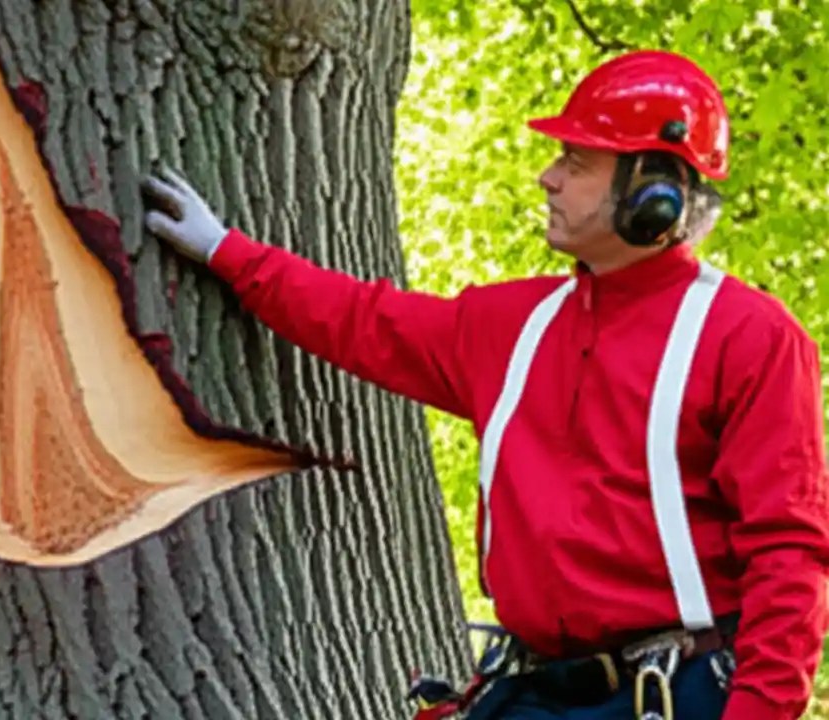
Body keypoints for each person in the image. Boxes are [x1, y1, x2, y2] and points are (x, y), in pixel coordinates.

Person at [140, 49, 829, 720]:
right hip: (535, 691)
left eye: (576, 162)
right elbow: (359, 320)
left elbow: (790, 557)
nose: (548, 178)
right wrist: (226, 251)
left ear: (653, 193)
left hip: (675, 699)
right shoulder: (511, 324)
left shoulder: (751, 337)